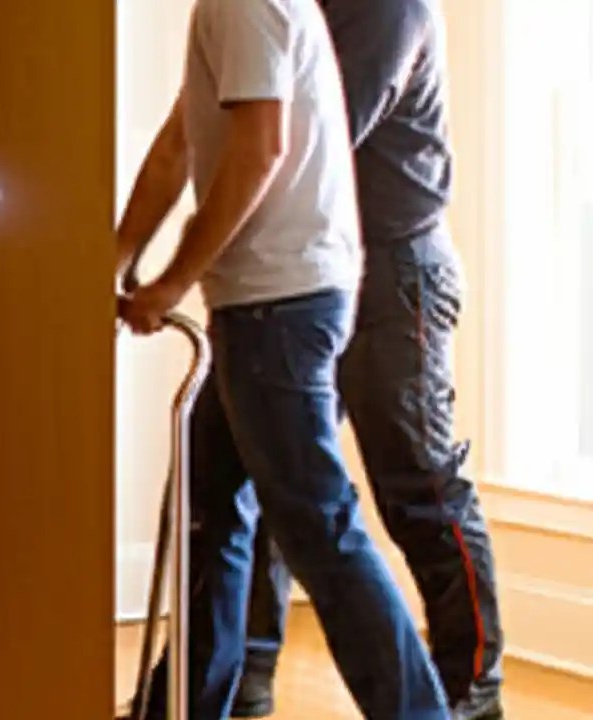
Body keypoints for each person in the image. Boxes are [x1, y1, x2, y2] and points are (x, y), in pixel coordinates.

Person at [117, 0, 449, 717]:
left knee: (317, 526)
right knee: (209, 512)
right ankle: (183, 705)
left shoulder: (246, 3)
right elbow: (179, 145)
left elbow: (260, 148)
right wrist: (114, 258)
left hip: (281, 303)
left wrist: (170, 280)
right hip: (263, 301)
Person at [232, 2, 505, 718]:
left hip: (394, 272)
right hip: (319, 266)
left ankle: (469, 692)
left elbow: (316, 140)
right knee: (275, 477)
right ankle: (245, 675)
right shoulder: (307, 9)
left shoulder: (388, 7)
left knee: (420, 488)